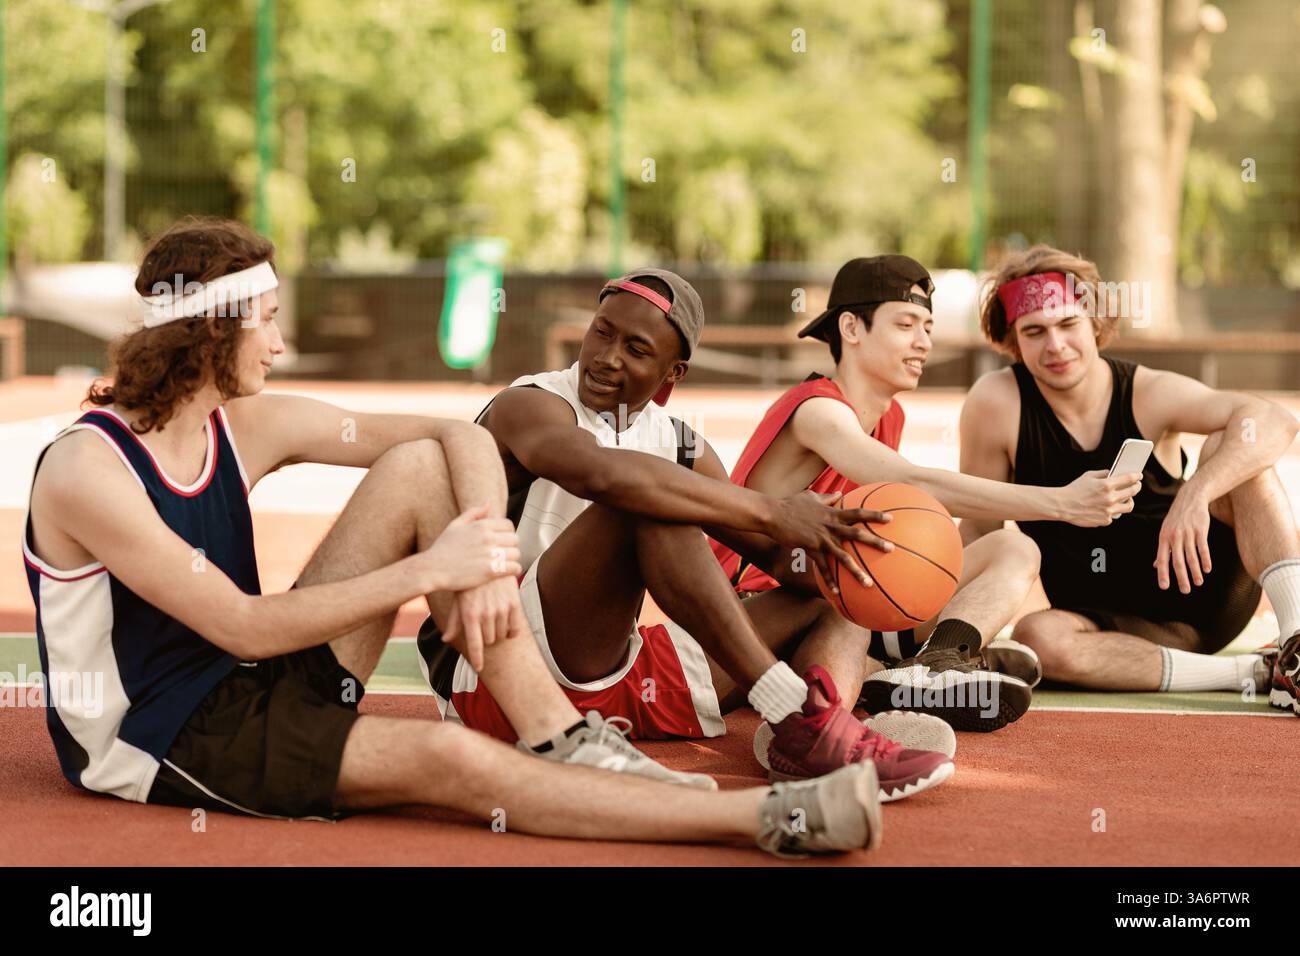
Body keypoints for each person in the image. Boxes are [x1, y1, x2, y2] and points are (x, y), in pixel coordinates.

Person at [20, 217, 884, 858]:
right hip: (164, 739)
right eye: (269, 320)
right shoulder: (87, 471)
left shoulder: (250, 422)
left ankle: (561, 734)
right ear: (215, 326)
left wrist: (483, 572)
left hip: (258, 681)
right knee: (447, 756)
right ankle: (760, 821)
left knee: (422, 467)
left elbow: (462, 437)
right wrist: (431, 570)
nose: (282, 343)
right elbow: (241, 627)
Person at [419, 268, 955, 802]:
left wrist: (858, 557)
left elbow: (775, 558)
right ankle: (793, 713)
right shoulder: (531, 403)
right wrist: (772, 510)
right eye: (601, 332)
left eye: (636, 348)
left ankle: (816, 730)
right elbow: (601, 475)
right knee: (641, 502)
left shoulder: (679, 444)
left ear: (672, 374)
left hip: (611, 678)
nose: (607, 356)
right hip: (494, 676)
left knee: (832, 600)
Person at [713, 256, 1140, 734]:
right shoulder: (818, 410)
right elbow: (918, 484)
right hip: (762, 611)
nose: (924, 342)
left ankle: (938, 664)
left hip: (842, 592)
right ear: (851, 328)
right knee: (849, 609)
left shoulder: (888, 417)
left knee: (1013, 547)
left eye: (929, 327)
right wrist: (1062, 502)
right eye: (906, 324)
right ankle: (862, 698)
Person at [958, 245, 1299, 713]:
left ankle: (1299, 641)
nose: (1054, 345)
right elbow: (979, 527)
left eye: (1067, 324)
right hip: (1109, 627)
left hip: (1207, 590)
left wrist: (1197, 491)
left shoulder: (1148, 391)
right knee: (1037, 635)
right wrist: (943, 631)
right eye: (1034, 331)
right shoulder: (995, 404)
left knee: (1231, 445)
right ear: (1013, 341)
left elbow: (1273, 419)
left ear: (1094, 323)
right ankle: (1257, 673)